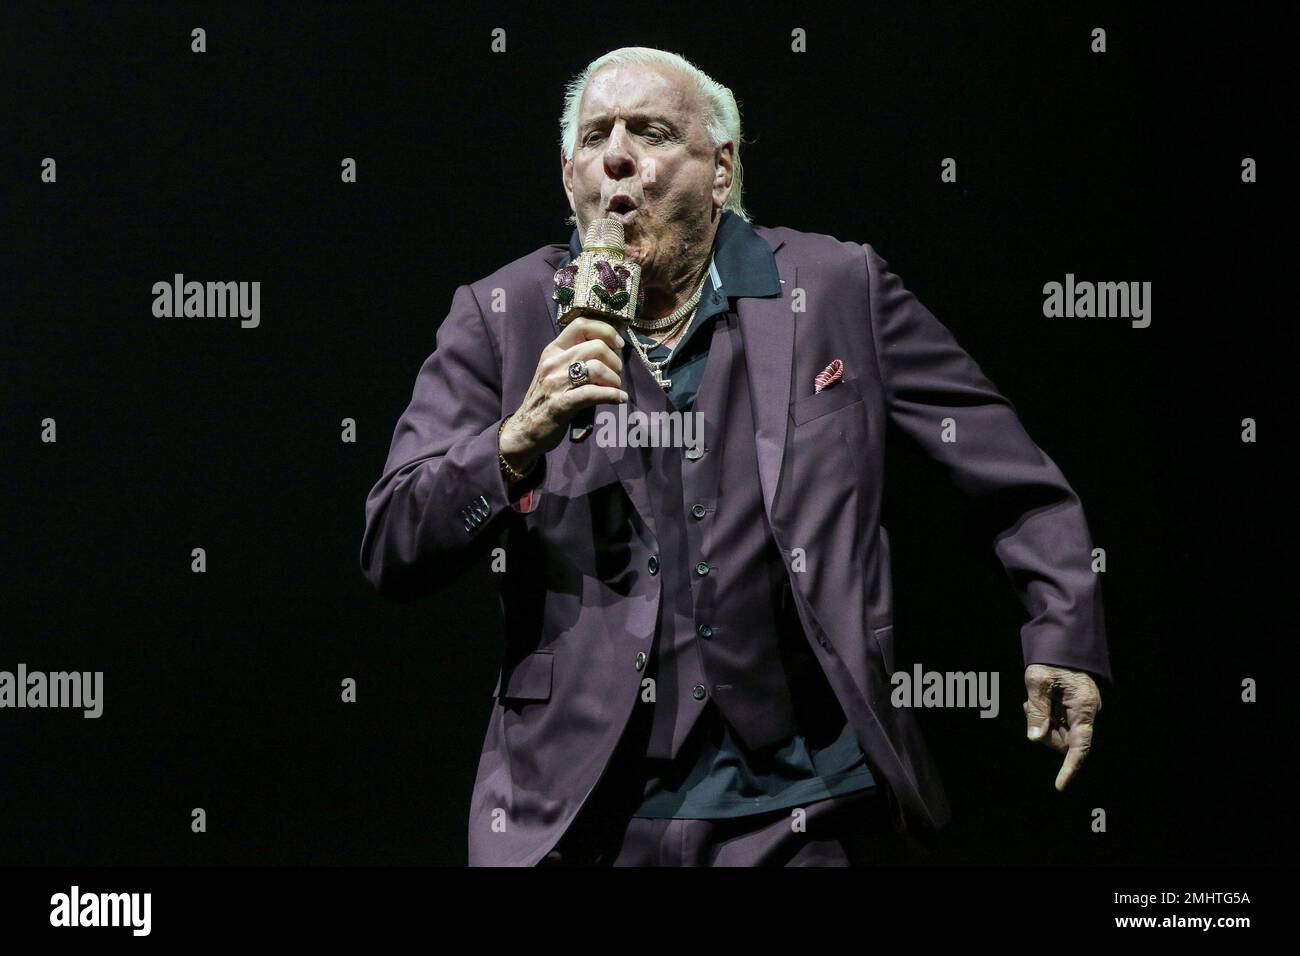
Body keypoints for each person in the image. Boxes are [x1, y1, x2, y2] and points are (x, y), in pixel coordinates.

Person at [360, 46, 1110, 866]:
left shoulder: (832, 289)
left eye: (649, 132)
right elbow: (393, 542)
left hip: (805, 803)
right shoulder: (501, 317)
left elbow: (1016, 479)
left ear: (721, 170)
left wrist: (1062, 634)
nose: (616, 154)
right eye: (595, 136)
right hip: (581, 812)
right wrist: (511, 444)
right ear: (569, 174)